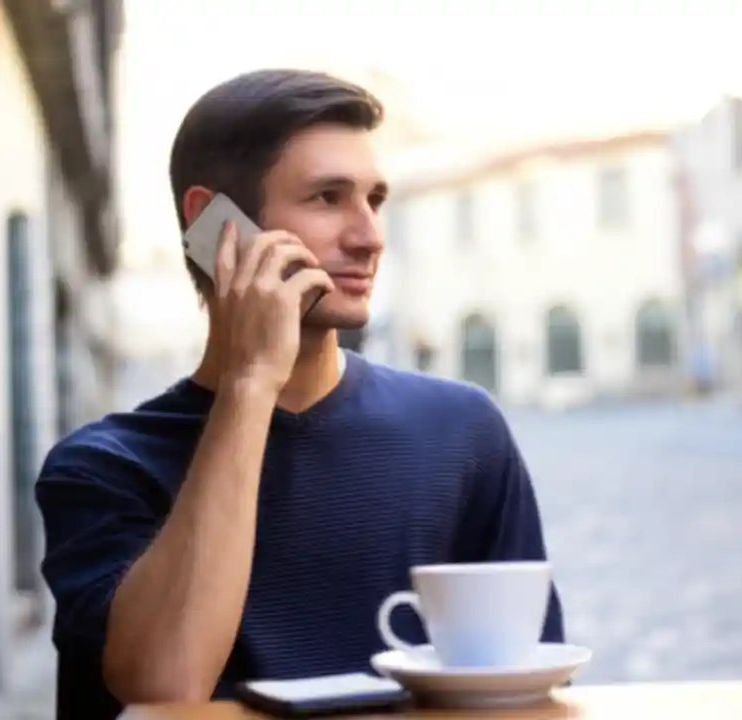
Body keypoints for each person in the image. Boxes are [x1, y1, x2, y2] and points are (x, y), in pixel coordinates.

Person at [35, 69, 565, 719]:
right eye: (327, 198)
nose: (368, 236)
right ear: (215, 224)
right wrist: (250, 383)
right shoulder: (102, 467)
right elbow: (166, 683)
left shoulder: (463, 430)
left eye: (374, 200)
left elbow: (528, 690)